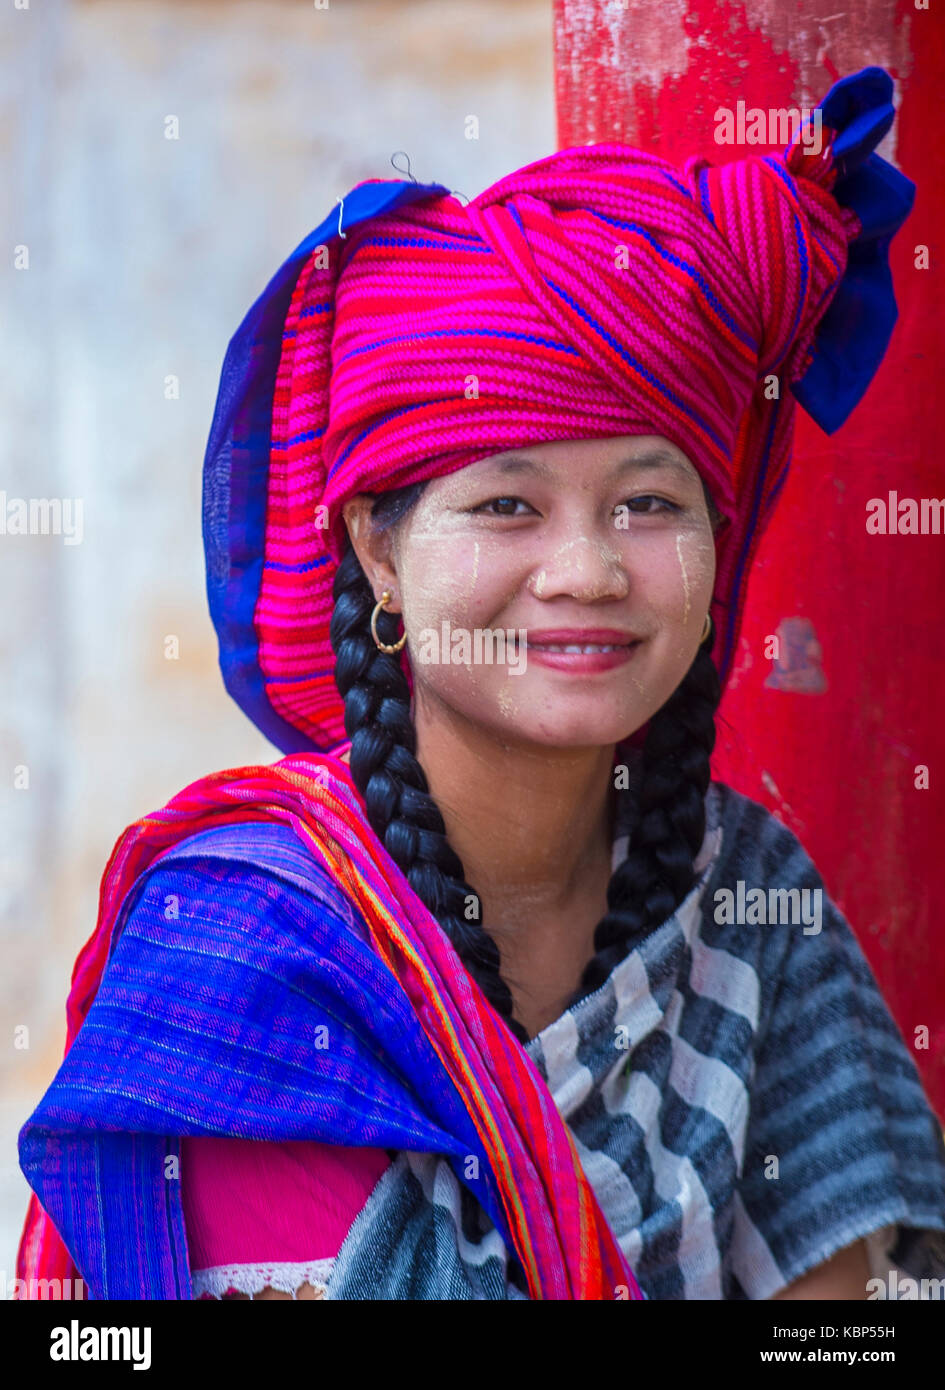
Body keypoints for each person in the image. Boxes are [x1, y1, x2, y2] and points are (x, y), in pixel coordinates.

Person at [16, 65, 945, 1301]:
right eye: (507, 504)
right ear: (377, 550)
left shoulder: (751, 905)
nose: (589, 568)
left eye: (650, 503)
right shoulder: (250, 955)